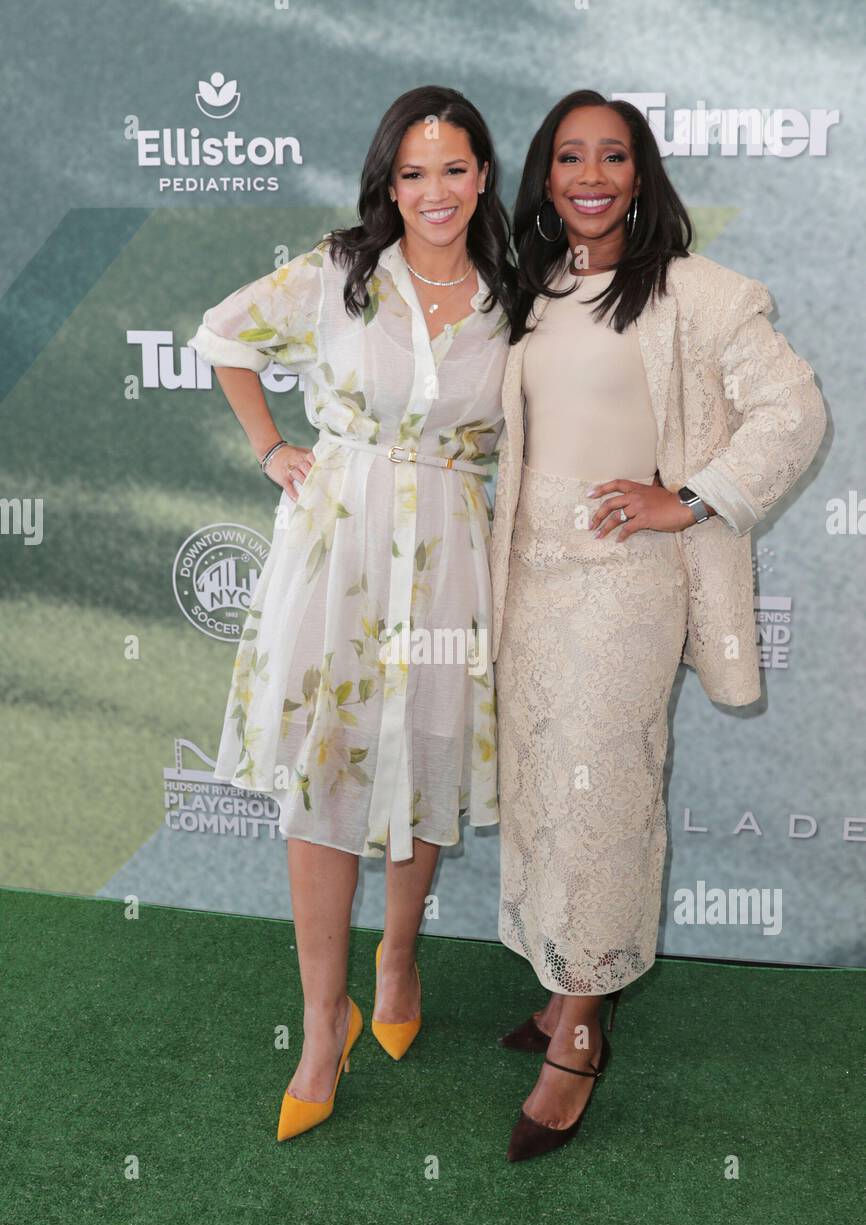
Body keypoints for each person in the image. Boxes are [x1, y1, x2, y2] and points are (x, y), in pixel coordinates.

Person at [489, 90, 826, 1163]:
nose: (590, 175)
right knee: (542, 790)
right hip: (524, 585)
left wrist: (687, 496)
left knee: (600, 801)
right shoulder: (530, 287)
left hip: (622, 586)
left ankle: (580, 1036)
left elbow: (795, 410)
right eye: (569, 157)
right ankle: (561, 982)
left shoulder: (696, 292)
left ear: (641, 175)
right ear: (544, 175)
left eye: (614, 157)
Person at [186, 86, 515, 1142]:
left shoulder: (515, 292)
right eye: (413, 173)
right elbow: (222, 335)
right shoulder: (340, 273)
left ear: (482, 177)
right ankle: (320, 1020)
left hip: (449, 554)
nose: (434, 191)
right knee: (325, 771)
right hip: (336, 553)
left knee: (422, 750)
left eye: (454, 169)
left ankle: (398, 953)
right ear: (388, 180)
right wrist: (270, 447)